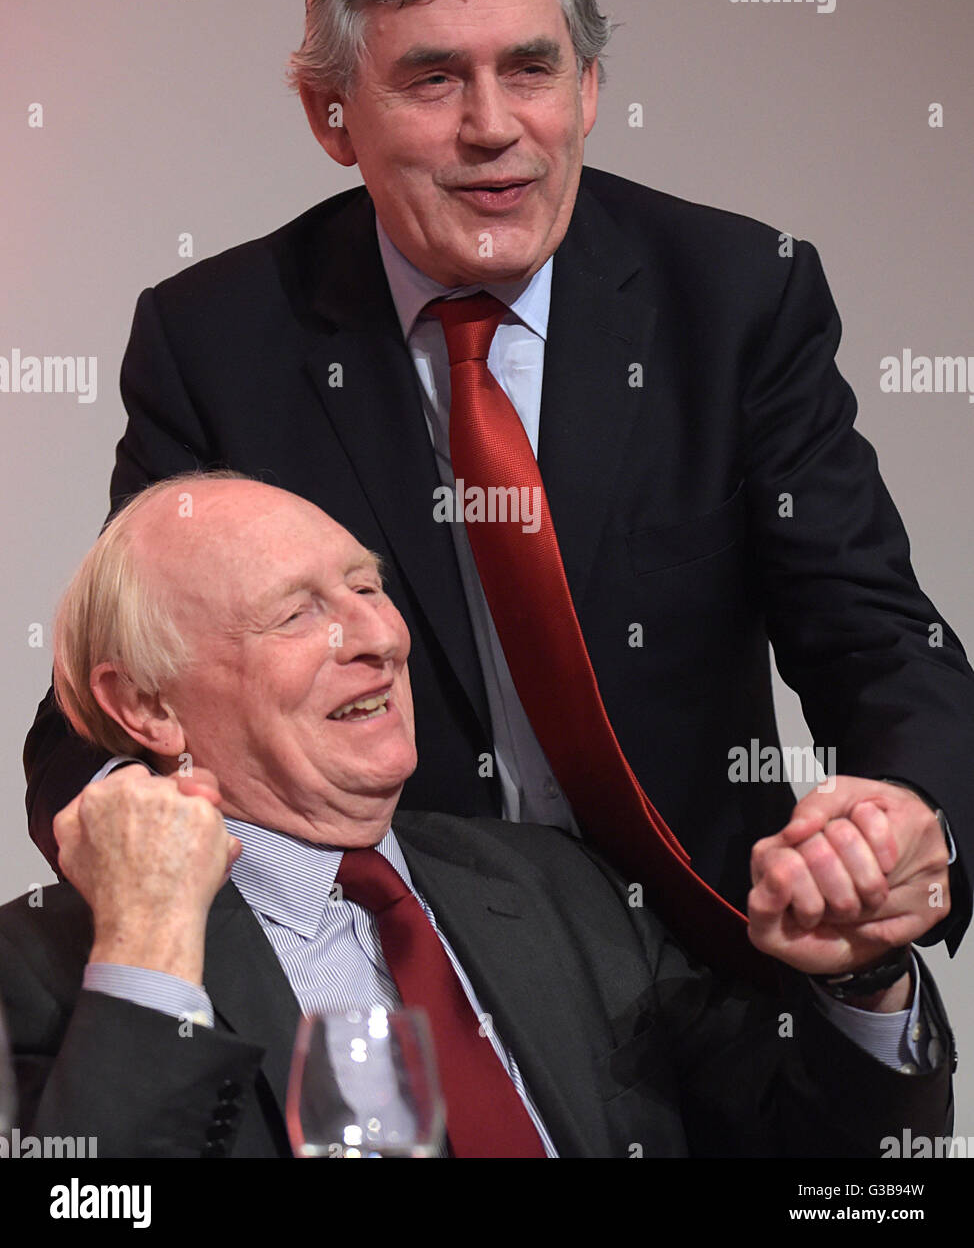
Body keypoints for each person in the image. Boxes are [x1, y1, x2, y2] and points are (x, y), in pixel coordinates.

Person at [23, 0, 974, 956]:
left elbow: (877, 635)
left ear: (586, 89)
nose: (493, 127)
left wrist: (915, 810)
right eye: (432, 80)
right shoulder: (219, 341)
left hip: (720, 963)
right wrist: (147, 856)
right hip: (409, 978)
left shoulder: (734, 295)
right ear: (330, 117)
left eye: (530, 68)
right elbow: (109, 700)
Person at [0, 475, 955, 1158]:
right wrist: (150, 942)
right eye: (296, 615)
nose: (377, 637)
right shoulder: (39, 971)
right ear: (147, 707)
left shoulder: (558, 886)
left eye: (368, 588)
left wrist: (862, 977)